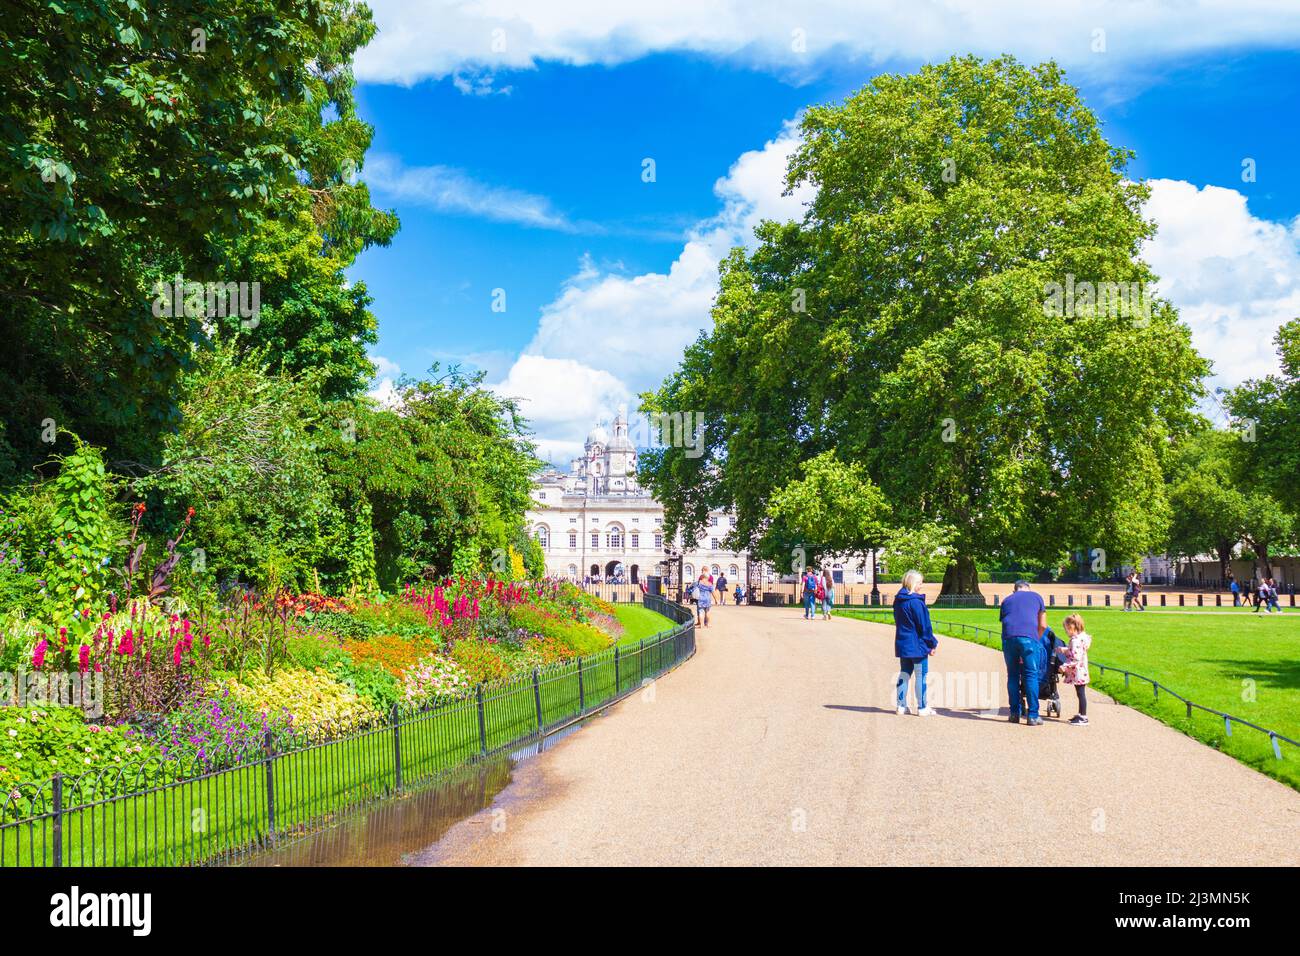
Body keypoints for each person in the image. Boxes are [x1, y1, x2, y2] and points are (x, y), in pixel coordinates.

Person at [1000, 579, 1047, 725]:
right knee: (1031, 675)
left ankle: (1014, 713)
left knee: (1013, 675)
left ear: (1014, 590)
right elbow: (1043, 625)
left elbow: (1005, 623)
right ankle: (1033, 715)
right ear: (1029, 588)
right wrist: (1036, 639)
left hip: (1009, 639)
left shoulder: (1006, 600)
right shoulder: (1037, 597)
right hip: (1029, 639)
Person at [893, 569, 938, 716]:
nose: (921, 586)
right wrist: (932, 643)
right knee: (920, 676)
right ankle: (922, 707)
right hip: (917, 645)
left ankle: (901, 706)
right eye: (919, 583)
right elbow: (924, 626)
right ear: (912, 583)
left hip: (903, 642)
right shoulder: (916, 602)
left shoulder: (898, 600)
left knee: (904, 674)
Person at [1059, 612, 1092, 726]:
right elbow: (1075, 651)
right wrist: (1064, 650)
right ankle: (1080, 713)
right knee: (1080, 693)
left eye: (1066, 629)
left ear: (1072, 628)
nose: (1066, 632)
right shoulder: (1081, 638)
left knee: (1081, 693)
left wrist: (1064, 666)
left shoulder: (1075, 640)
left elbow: (1075, 658)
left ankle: (1083, 717)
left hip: (1078, 671)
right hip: (1081, 670)